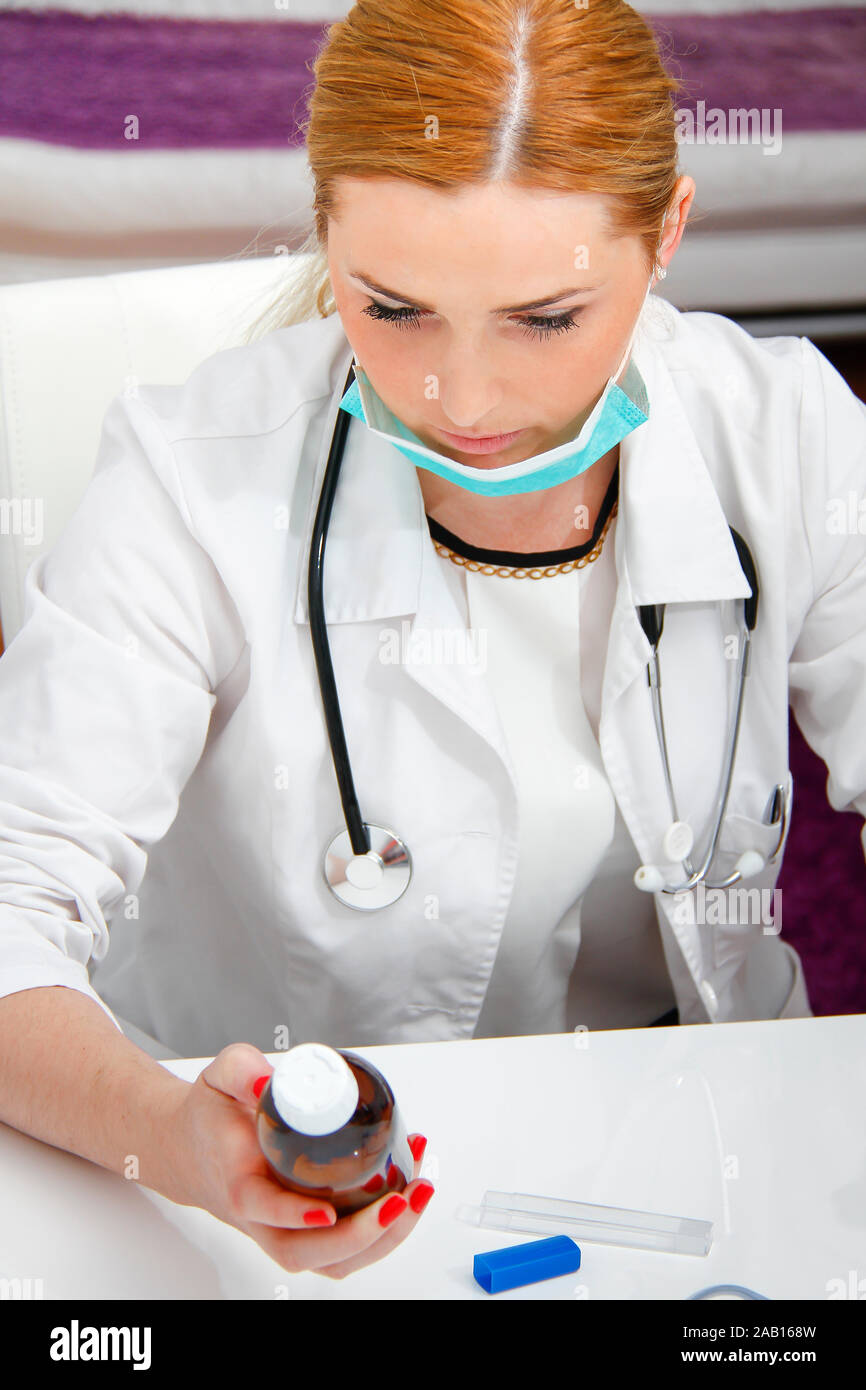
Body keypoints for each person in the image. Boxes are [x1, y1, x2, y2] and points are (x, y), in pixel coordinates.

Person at [0, 0, 864, 1284]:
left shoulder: (784, 433)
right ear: (327, 235)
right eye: (391, 308)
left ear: (668, 233)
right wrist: (171, 1138)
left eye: (546, 318)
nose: (463, 402)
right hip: (275, 1212)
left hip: (695, 1153)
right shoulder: (189, 475)